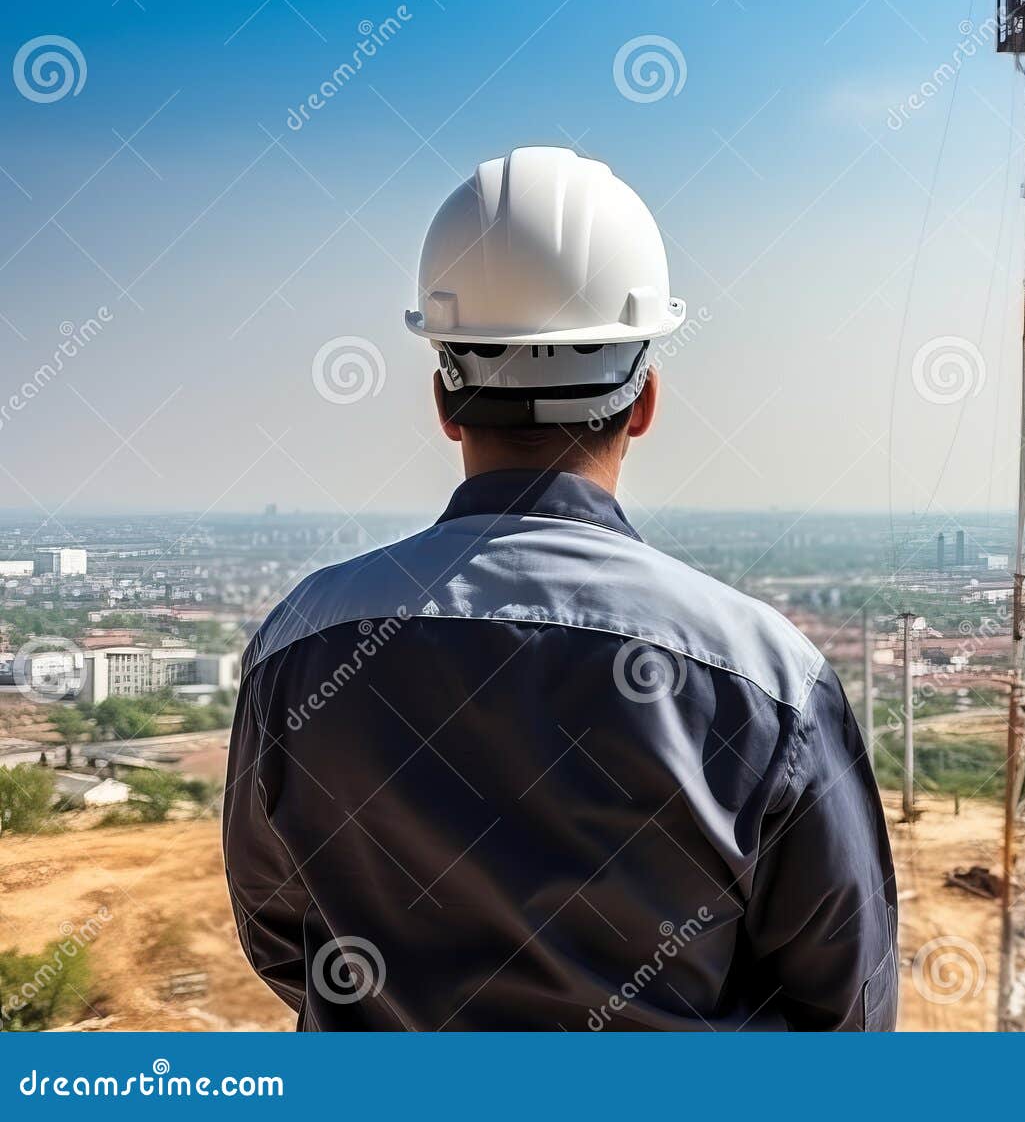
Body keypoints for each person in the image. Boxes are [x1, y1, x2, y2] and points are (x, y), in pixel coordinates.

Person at [223, 146, 897, 1031]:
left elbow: (281, 934)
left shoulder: (300, 643)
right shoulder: (767, 678)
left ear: (443, 401)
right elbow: (846, 1006)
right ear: (646, 401)